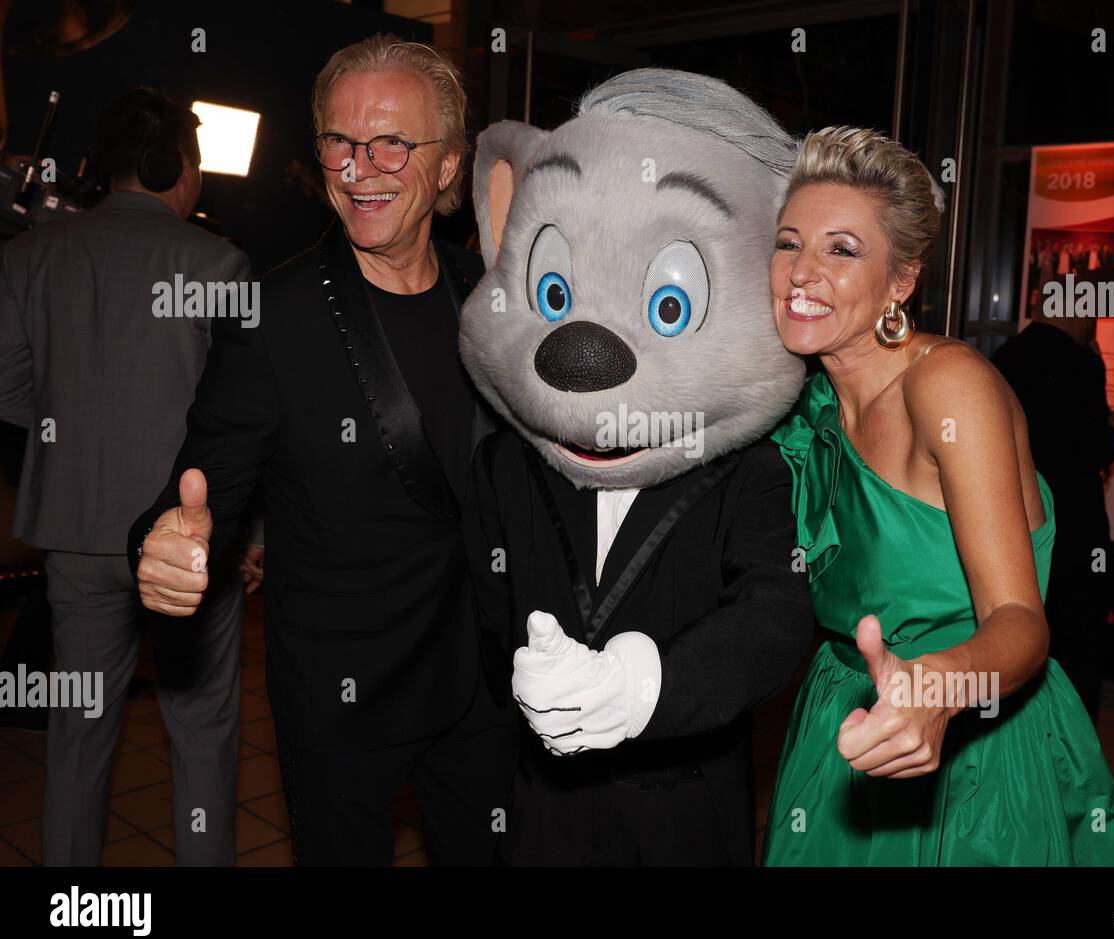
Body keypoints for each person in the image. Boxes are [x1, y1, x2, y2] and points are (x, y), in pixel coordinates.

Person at [128, 35, 512, 865]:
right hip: (344, 699)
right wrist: (164, 544)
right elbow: (200, 492)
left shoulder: (495, 301)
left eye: (391, 143)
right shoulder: (273, 317)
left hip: (486, 684)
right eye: (340, 140)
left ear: (447, 167)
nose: (357, 166)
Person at [459, 68, 813, 865]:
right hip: (541, 810)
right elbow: (487, 612)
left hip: (678, 818)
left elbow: (775, 613)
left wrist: (646, 685)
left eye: (669, 307)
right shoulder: (504, 468)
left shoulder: (746, 473)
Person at [761, 126, 1114, 866]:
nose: (802, 271)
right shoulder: (805, 404)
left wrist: (937, 687)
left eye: (842, 250)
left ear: (901, 282)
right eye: (787, 242)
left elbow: (1022, 622)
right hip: (841, 717)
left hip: (973, 739)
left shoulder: (947, 385)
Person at [0, 88, 250, 865]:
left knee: (77, 736)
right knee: (201, 733)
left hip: (74, 535)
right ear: (171, 163)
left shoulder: (30, 254)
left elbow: (7, 386)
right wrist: (254, 534)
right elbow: (250, 420)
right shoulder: (219, 262)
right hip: (192, 540)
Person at [993, 314, 1114, 725]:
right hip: (1074, 532)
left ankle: (1023, 755)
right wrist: (1111, 430)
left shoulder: (1006, 356)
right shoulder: (1082, 365)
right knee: (1077, 649)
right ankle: (1070, 762)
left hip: (1017, 526)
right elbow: (1095, 449)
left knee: (1020, 636)